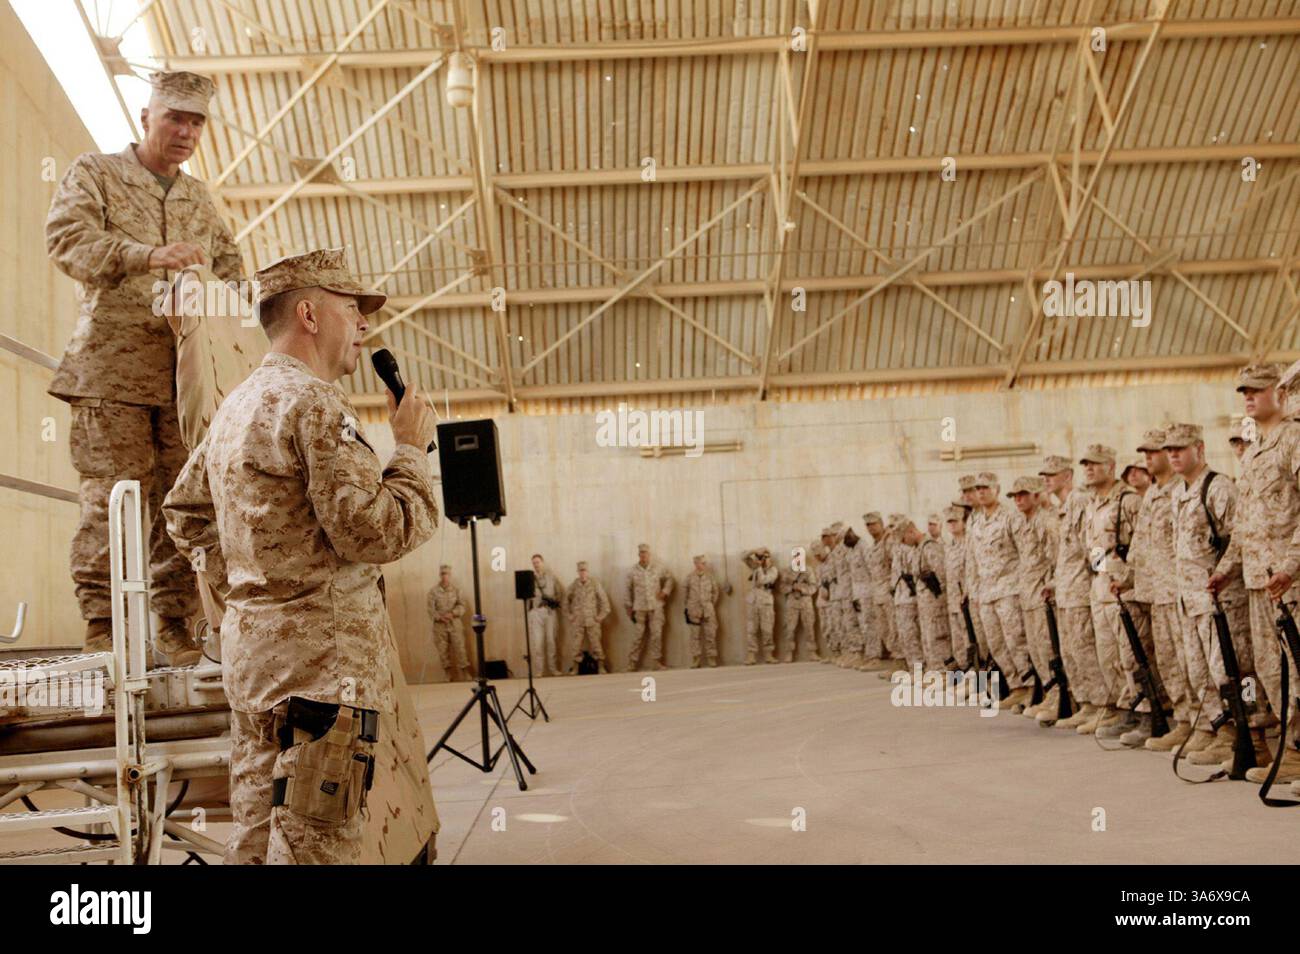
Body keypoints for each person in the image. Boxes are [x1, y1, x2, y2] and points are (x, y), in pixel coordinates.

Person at [163, 247, 439, 864]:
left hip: (257, 669)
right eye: (353, 308)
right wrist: (411, 451)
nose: (366, 325)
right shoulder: (314, 405)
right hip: (322, 678)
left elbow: (183, 512)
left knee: (258, 843)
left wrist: (248, 589)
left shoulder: (238, 405)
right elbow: (375, 533)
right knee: (316, 849)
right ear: (309, 314)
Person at [47, 71, 244, 664]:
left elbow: (233, 276)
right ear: (145, 116)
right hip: (110, 375)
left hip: (182, 385)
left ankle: (175, 621)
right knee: (113, 496)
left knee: (181, 504)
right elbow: (67, 240)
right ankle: (103, 626)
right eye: (174, 118)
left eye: (196, 121)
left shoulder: (199, 201)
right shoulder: (96, 174)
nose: (185, 132)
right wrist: (146, 256)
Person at [1166, 423, 1269, 768]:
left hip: (1222, 601)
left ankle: (1254, 734)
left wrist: (1223, 572)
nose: (1173, 455)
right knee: (1201, 672)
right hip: (1191, 601)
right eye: (1170, 450)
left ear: (1199, 448)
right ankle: (1224, 732)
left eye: (1180, 448)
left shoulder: (1218, 487)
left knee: (1238, 673)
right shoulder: (1178, 492)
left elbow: (1241, 537)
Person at [1217, 363, 1300, 783]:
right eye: (1244, 391)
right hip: (1257, 582)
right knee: (1272, 670)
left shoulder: (1294, 439)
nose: (1249, 397)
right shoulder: (1253, 452)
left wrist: (1290, 565)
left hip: (1291, 581)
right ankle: (1292, 746)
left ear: (1279, 393)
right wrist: (1225, 569)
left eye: (1258, 390)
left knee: (1298, 666)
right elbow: (1244, 524)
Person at [1081, 444, 1158, 738]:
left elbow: (1141, 545)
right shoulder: (1093, 502)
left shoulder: (1127, 501)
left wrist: (1126, 577)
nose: (1089, 469)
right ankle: (1127, 708)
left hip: (1123, 589)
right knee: (1109, 655)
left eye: (1096, 464)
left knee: (1132, 654)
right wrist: (1101, 572)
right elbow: (1094, 547)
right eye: (1086, 464)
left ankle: (1148, 713)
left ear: (1110, 467)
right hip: (1102, 587)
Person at [1124, 429, 1193, 750]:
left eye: (1154, 452)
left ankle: (1203, 724)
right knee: (1166, 660)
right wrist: (1127, 578)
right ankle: (1183, 719)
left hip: (1180, 592)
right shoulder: (1152, 493)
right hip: (1155, 593)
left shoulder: (1182, 489)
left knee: (1189, 660)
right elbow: (1140, 543)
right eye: (1146, 453)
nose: (1148, 458)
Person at [1040, 455, 1108, 732]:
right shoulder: (1063, 507)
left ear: (1067, 476)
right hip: (1067, 589)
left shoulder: (1079, 501)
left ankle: (1102, 705)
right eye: (1044, 475)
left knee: (1085, 649)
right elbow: (1066, 553)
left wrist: (1101, 577)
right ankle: (1086, 703)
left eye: (1052, 474)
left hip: (1081, 589)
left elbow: (1090, 545)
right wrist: (1056, 583)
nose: (1046, 479)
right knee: (1071, 651)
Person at [969, 473, 1034, 708]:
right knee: (995, 643)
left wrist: (1024, 586)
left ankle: (1031, 687)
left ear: (996, 489)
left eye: (986, 487)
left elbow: (1025, 552)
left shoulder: (1010, 516)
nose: (981, 492)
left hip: (1008, 588)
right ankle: (1015, 685)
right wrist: (974, 592)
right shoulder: (976, 522)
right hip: (986, 593)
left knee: (1016, 639)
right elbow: (973, 560)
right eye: (978, 489)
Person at [1007, 476, 1061, 722]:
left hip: (1043, 593)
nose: (1018, 499)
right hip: (1027, 593)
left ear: (1036, 495)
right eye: (1015, 496)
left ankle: (1059, 697)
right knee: (1036, 648)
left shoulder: (1047, 521)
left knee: (1048, 646)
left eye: (1023, 494)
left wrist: (1052, 584)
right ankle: (1049, 694)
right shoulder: (1019, 523)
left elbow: (1056, 557)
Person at [625, 544, 674, 670]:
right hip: (639, 608)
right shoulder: (632, 570)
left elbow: (670, 579)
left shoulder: (657, 568)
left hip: (656, 606)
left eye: (645, 552)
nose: (643, 555)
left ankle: (656, 662)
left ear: (649, 554)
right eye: (641, 553)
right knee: (638, 636)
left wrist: (665, 591)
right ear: (638, 554)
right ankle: (631, 663)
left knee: (656, 634)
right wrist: (628, 606)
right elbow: (627, 589)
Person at [864, 512, 899, 669]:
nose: (871, 528)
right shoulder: (874, 546)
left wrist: (893, 588)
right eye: (868, 525)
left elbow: (896, 566)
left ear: (881, 523)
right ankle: (895, 661)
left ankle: (901, 662)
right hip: (877, 593)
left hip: (888, 591)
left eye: (874, 524)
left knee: (894, 628)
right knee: (884, 629)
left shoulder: (889, 541)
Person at [427, 565, 472, 682]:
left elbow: (462, 605)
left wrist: (453, 613)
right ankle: (448, 674)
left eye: (447, 574)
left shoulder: (457, 590)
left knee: (460, 647)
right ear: (440, 575)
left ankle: (465, 672)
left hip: (455, 622)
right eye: (442, 574)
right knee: (442, 650)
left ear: (450, 575)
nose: (444, 576)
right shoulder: (433, 592)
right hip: (439, 625)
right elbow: (430, 610)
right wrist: (440, 617)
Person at [564, 561, 610, 674]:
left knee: (596, 644)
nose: (582, 573)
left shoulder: (595, 584)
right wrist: (569, 615)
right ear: (578, 572)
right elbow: (565, 600)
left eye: (584, 570)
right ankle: (575, 667)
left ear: (588, 571)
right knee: (576, 645)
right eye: (580, 570)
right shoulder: (574, 585)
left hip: (592, 620)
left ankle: (600, 666)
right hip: (578, 620)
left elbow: (604, 601)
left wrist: (601, 616)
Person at [780, 549, 821, 662]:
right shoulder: (787, 571)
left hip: (806, 602)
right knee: (790, 629)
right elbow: (782, 588)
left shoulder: (808, 570)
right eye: (796, 556)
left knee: (809, 628)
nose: (798, 559)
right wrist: (792, 588)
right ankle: (789, 652)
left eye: (800, 556)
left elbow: (814, 587)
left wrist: (802, 589)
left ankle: (812, 652)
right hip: (792, 602)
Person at [526, 554, 562, 677]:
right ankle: (539, 670)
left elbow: (559, 594)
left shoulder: (552, 577)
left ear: (543, 562)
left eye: (538, 562)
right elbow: (525, 596)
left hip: (550, 612)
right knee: (538, 642)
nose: (536, 565)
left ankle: (553, 669)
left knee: (551, 640)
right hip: (536, 612)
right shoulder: (530, 578)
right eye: (534, 563)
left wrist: (552, 600)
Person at [742, 547, 779, 664]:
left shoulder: (773, 570)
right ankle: (751, 656)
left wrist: (758, 567)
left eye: (765, 557)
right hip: (753, 602)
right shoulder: (755, 567)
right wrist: (754, 551)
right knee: (751, 629)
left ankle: (769, 655)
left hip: (766, 603)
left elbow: (763, 580)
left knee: (767, 629)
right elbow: (742, 557)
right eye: (762, 557)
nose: (762, 559)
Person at [683, 555, 721, 668]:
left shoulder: (710, 577)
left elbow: (716, 592)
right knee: (695, 636)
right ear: (695, 564)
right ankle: (696, 659)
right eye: (699, 563)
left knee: (711, 634)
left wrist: (709, 604)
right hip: (694, 610)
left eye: (703, 563)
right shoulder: (689, 577)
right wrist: (690, 606)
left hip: (708, 610)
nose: (701, 565)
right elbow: (685, 595)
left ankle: (711, 658)